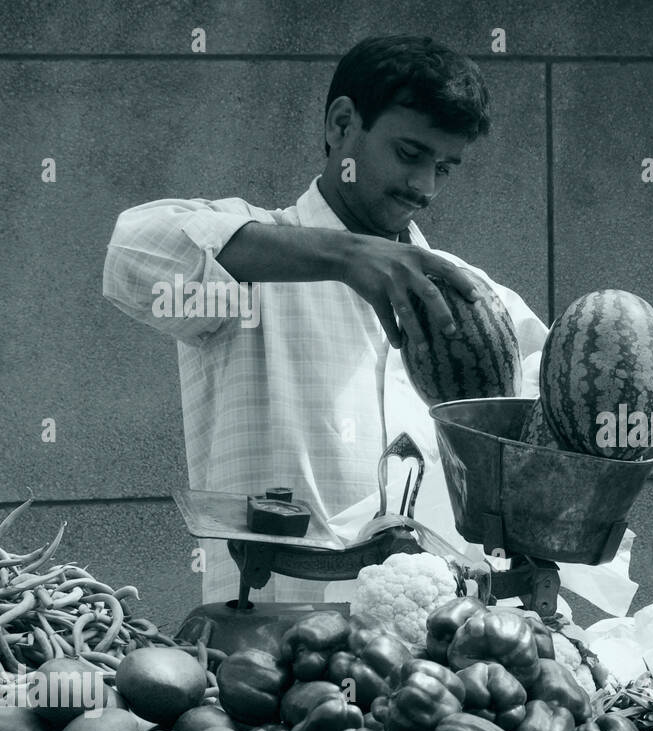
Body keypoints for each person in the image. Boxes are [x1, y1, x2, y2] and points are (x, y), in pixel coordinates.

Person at [102, 35, 551, 607]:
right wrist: (344, 257)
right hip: (268, 657)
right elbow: (132, 255)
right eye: (410, 154)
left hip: (440, 668)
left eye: (444, 167)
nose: (425, 188)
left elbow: (553, 412)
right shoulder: (247, 267)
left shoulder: (470, 293)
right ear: (342, 125)